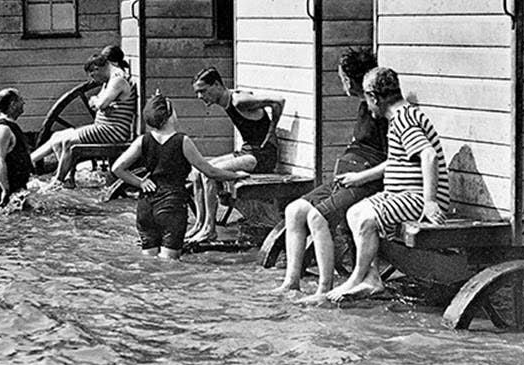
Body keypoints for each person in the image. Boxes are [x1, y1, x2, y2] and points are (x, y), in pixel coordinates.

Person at [269, 49, 388, 303]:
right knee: (294, 211)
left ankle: (324, 288)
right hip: (347, 178)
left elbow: (394, 161)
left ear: (350, 79)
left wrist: (361, 177)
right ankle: (291, 282)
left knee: (317, 217)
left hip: (366, 181)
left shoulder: (381, 112)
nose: (342, 82)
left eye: (342, 77)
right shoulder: (365, 107)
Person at [326, 67, 450, 303]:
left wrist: (430, 201)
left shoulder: (403, 119)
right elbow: (395, 162)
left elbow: (428, 155)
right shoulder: (400, 118)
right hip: (401, 195)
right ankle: (371, 278)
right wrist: (360, 178)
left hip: (416, 198)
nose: (368, 106)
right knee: (354, 212)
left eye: (367, 99)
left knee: (366, 218)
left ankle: (357, 278)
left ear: (374, 97)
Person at [112, 94, 251, 260]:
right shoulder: (182, 141)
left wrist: (140, 182)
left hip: (146, 207)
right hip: (172, 206)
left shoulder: (142, 141)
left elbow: (117, 168)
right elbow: (210, 172)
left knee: (149, 261)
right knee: (169, 264)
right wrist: (235, 176)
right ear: (170, 116)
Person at [189, 67, 286, 243]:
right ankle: (199, 224)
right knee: (197, 171)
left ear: (217, 85)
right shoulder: (228, 99)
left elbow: (278, 101)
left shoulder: (239, 101)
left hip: (262, 156)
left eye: (203, 91)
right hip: (248, 151)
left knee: (209, 173)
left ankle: (210, 229)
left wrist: (272, 129)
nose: (200, 96)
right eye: (197, 92)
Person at [29, 52, 139, 187]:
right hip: (103, 128)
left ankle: (58, 181)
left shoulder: (117, 80)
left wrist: (100, 103)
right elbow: (94, 101)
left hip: (113, 131)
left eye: (93, 75)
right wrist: (99, 102)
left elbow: (99, 104)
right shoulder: (110, 80)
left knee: (68, 141)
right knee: (57, 137)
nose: (94, 80)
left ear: (96, 69)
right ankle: (32, 164)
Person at [0, 88, 33, 208]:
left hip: (16, 188)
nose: (23, 103)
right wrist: (5, 190)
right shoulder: (2, 130)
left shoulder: (11, 126)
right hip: (3, 191)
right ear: (13, 104)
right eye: (20, 100)